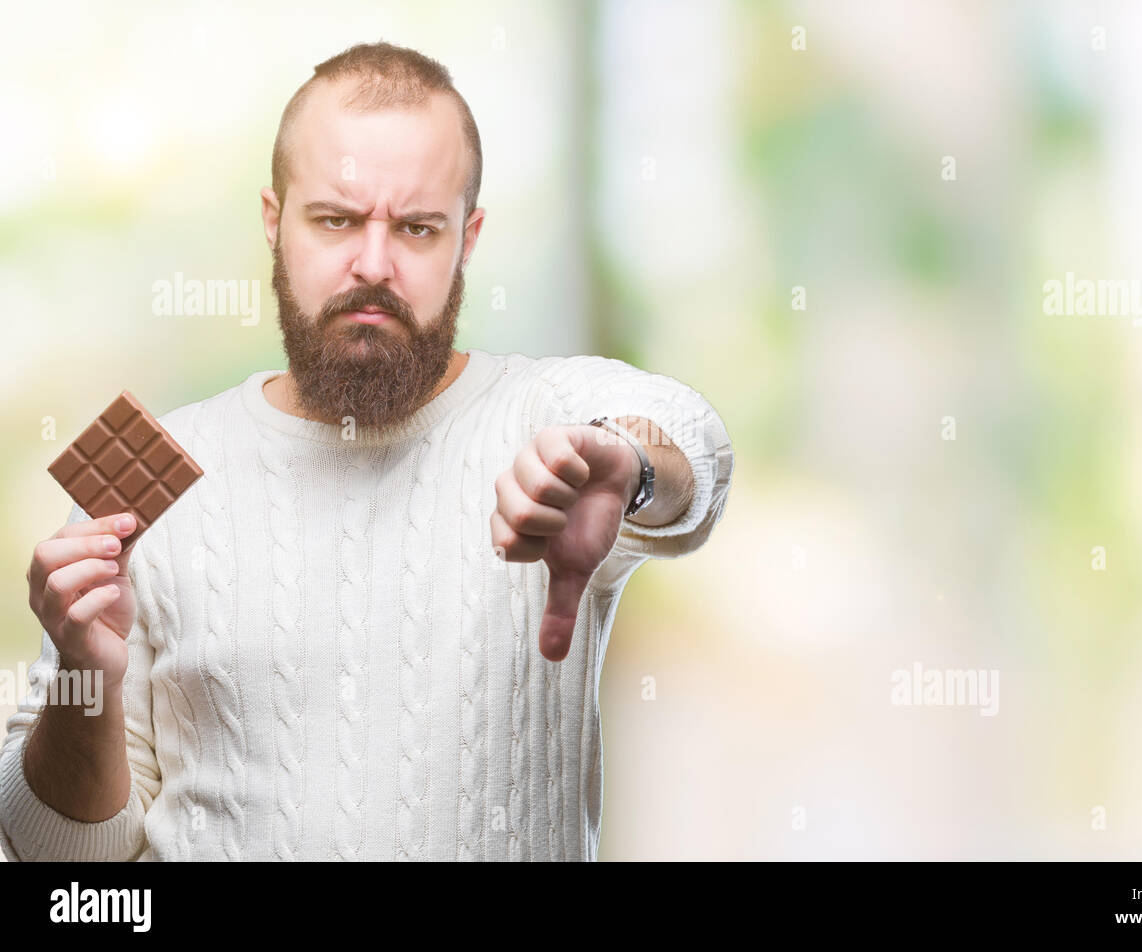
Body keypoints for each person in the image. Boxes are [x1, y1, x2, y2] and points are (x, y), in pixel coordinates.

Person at [0, 41, 733, 861]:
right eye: (337, 219)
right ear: (275, 223)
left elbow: (693, 443)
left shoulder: (547, 423)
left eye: (418, 228)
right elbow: (61, 863)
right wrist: (84, 678)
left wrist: (627, 468)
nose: (374, 265)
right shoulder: (153, 473)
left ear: (469, 236)